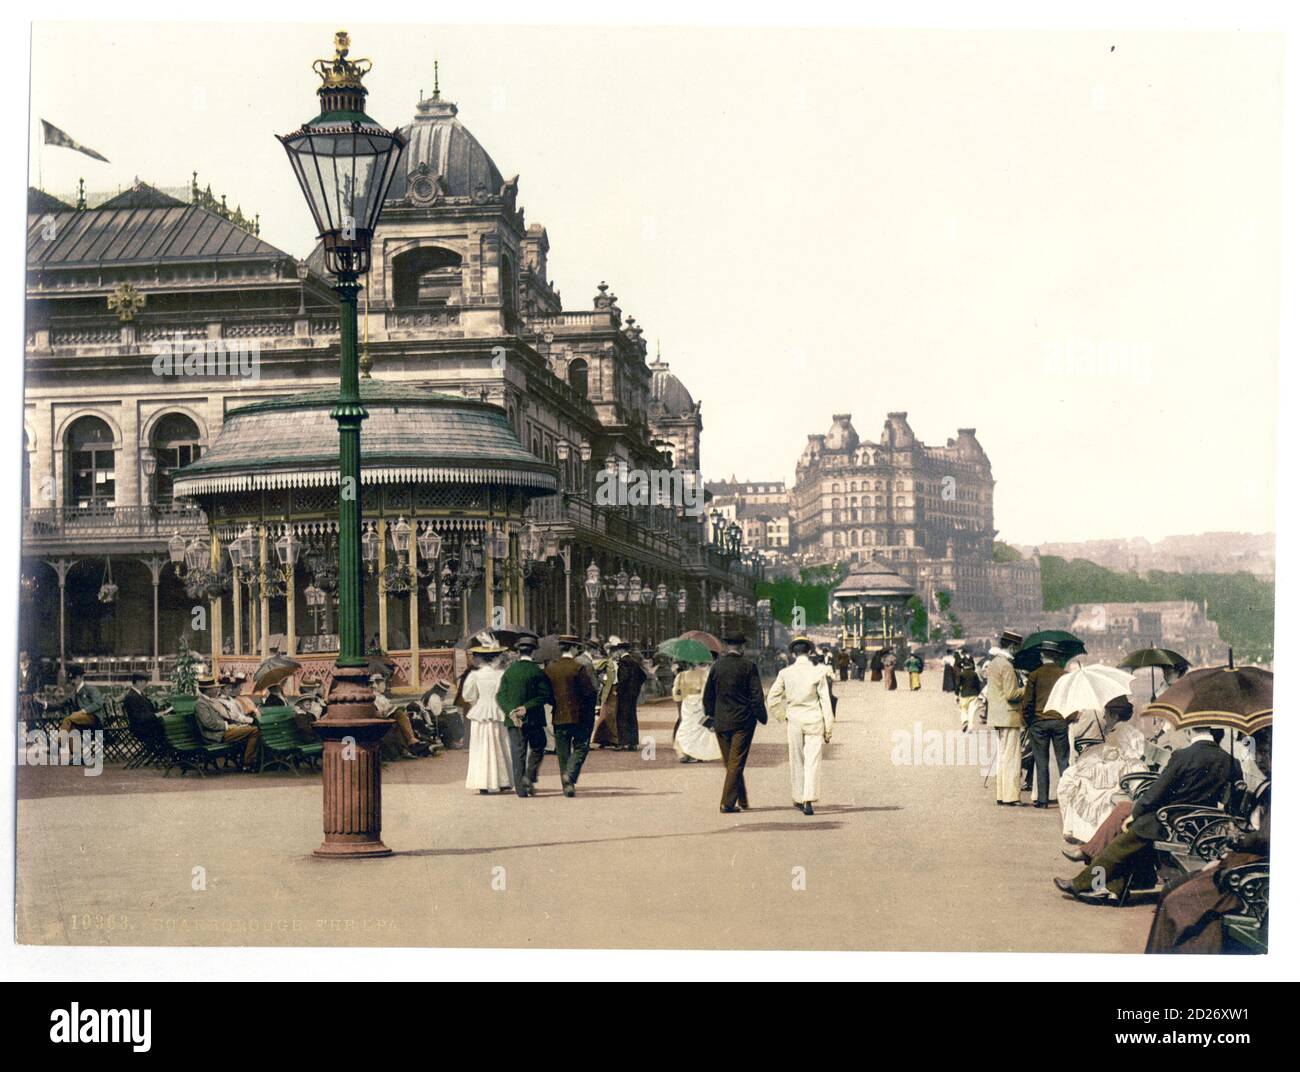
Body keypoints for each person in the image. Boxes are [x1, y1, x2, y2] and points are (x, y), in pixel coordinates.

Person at [1055, 727, 1243, 902]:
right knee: (1123, 810)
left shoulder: (1183, 756)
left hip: (1172, 821)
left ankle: (1084, 883)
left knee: (1127, 835)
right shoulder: (1231, 761)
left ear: (1190, 731)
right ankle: (1108, 883)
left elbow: (1157, 792)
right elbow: (1234, 803)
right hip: (1197, 823)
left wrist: (1135, 814)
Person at [1146, 729, 1271, 953]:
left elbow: (1266, 838)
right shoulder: (1264, 783)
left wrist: (1238, 841)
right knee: (1171, 890)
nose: (1260, 759)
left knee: (1177, 902)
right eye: (1257, 752)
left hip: (1252, 875)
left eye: (1266, 752)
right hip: (1243, 863)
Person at [1056, 697, 1148, 843]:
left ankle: (1087, 834)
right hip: (1123, 769)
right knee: (1074, 776)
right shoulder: (1124, 729)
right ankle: (1082, 834)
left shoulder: (1119, 732)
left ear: (1114, 715)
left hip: (1123, 773)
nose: (1104, 717)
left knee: (1076, 782)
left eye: (1106, 714)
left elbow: (1115, 759)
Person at [767, 637, 835, 816]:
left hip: (795, 719)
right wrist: (828, 729)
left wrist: (783, 715)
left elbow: (772, 698)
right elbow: (826, 703)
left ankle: (798, 796)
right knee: (812, 760)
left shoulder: (785, 673)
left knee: (796, 758)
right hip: (814, 719)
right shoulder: (818, 673)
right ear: (810, 652)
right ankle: (808, 799)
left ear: (793, 653)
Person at [702, 631, 767, 814]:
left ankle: (743, 799)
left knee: (731, 762)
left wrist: (711, 716)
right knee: (736, 762)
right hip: (743, 721)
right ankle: (727, 803)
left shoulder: (717, 667)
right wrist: (762, 716)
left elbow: (708, 696)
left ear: (727, 646)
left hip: (721, 721)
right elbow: (756, 697)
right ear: (742, 647)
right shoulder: (748, 666)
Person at [496, 635, 555, 797]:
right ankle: (529, 776)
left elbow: (501, 695)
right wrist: (526, 708)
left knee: (518, 752)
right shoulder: (537, 672)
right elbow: (545, 695)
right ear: (534, 652)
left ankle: (521, 790)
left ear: (518, 652)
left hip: (513, 720)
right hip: (534, 718)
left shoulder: (509, 672)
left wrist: (511, 711)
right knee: (538, 746)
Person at [544, 635, 598, 796]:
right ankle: (570, 775)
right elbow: (589, 692)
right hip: (579, 715)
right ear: (574, 648)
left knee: (563, 750)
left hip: (559, 715)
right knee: (581, 746)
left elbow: (546, 694)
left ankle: (566, 785)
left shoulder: (550, 669)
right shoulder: (578, 667)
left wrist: (557, 703)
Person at [1021, 640, 1069, 809]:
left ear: (1042, 655)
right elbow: (1069, 701)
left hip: (1039, 722)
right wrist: (1066, 720)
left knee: (1041, 762)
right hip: (1059, 721)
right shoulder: (1064, 675)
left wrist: (1028, 722)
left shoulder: (1034, 675)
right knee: (1063, 761)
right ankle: (1068, 799)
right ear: (1056, 656)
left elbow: (1027, 703)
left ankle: (1042, 800)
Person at [462, 644, 512, 794]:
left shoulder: (475, 675)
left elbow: (468, 696)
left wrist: (477, 703)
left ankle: (482, 782)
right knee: (501, 744)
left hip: (481, 711)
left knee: (481, 747)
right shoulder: (502, 674)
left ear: (479, 659)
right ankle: (504, 781)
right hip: (498, 711)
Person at [986, 629, 1025, 806]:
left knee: (1003, 756)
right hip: (1009, 716)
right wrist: (1028, 687)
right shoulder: (1007, 666)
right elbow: (1011, 694)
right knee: (1012, 757)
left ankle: (1002, 794)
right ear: (1011, 646)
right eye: (1017, 647)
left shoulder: (994, 663)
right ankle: (1011, 796)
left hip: (997, 715)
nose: (1017, 651)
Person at [194, 676, 260, 769]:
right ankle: (248, 763)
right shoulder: (201, 704)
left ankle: (248, 761)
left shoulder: (208, 701)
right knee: (254, 731)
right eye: (214, 688)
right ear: (208, 690)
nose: (217, 690)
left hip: (221, 732)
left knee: (251, 730)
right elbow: (208, 723)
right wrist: (226, 725)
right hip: (216, 735)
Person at [672, 657, 721, 763]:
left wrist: (680, 701)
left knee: (686, 726)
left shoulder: (681, 675)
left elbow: (676, 692)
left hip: (687, 702)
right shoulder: (704, 675)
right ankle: (698, 753)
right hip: (699, 702)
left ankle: (685, 752)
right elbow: (707, 691)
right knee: (699, 728)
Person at [370, 673, 429, 758]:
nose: (384, 686)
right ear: (376, 685)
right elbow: (385, 710)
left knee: (400, 721)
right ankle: (411, 740)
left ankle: (408, 748)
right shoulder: (377, 697)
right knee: (400, 715)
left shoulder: (380, 696)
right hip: (381, 718)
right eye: (382, 684)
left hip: (386, 717)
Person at [613, 641, 647, 750]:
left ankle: (623, 742)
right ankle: (633, 743)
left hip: (624, 694)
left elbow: (624, 678)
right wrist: (636, 687)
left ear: (621, 650)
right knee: (632, 716)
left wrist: (618, 689)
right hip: (633, 694)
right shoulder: (633, 661)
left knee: (622, 717)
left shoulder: (623, 662)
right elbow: (643, 676)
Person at [590, 636, 623, 748]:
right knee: (606, 715)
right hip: (608, 690)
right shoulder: (606, 662)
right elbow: (595, 672)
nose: (616, 654)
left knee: (612, 716)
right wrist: (602, 680)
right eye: (613, 652)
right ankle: (605, 739)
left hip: (615, 690)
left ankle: (611, 739)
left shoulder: (620, 663)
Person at [58, 665, 106, 736]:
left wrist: (83, 711)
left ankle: (58, 743)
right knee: (73, 730)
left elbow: (99, 703)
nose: (72, 681)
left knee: (68, 719)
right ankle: (74, 747)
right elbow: (61, 703)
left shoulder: (90, 689)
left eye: (74, 678)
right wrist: (46, 704)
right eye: (71, 679)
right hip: (78, 720)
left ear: (81, 677)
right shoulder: (73, 693)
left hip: (94, 720)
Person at [955, 650, 983, 732]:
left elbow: (958, 685)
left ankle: (964, 721)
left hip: (964, 694)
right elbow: (978, 685)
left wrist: (956, 695)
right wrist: (978, 693)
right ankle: (970, 726)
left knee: (963, 710)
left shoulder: (961, 674)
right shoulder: (974, 674)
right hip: (973, 694)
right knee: (972, 711)